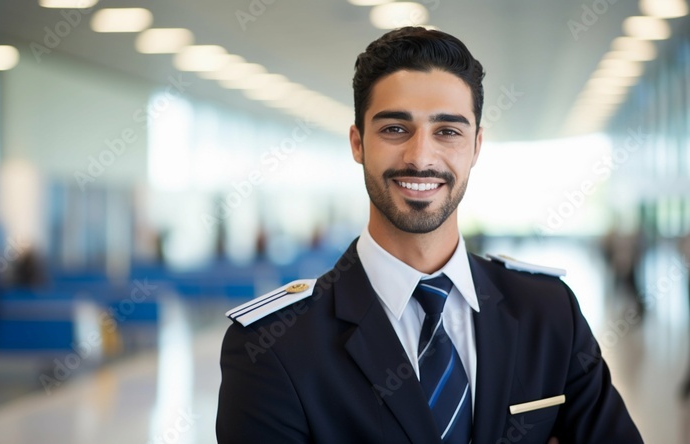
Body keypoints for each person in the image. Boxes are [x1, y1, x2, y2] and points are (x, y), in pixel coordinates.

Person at [216, 27, 641, 443]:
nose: (421, 157)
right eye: (395, 129)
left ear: (476, 147)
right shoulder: (273, 344)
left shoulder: (549, 313)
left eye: (448, 131)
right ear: (358, 143)